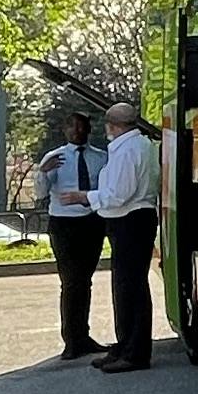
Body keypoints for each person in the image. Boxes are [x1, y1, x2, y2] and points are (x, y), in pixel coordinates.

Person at [91, 98, 161, 373]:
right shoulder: (141, 144)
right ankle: (125, 345)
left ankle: (135, 351)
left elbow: (118, 195)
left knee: (130, 287)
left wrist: (87, 197)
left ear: (113, 125)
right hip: (136, 219)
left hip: (130, 219)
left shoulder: (127, 150)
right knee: (128, 287)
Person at [37, 107, 103, 361]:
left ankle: (83, 336)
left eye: (81, 126)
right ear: (64, 130)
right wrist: (43, 172)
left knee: (84, 281)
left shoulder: (101, 157)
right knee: (70, 281)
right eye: (72, 126)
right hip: (64, 224)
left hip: (91, 223)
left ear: (88, 129)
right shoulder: (54, 157)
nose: (77, 131)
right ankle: (72, 340)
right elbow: (41, 193)